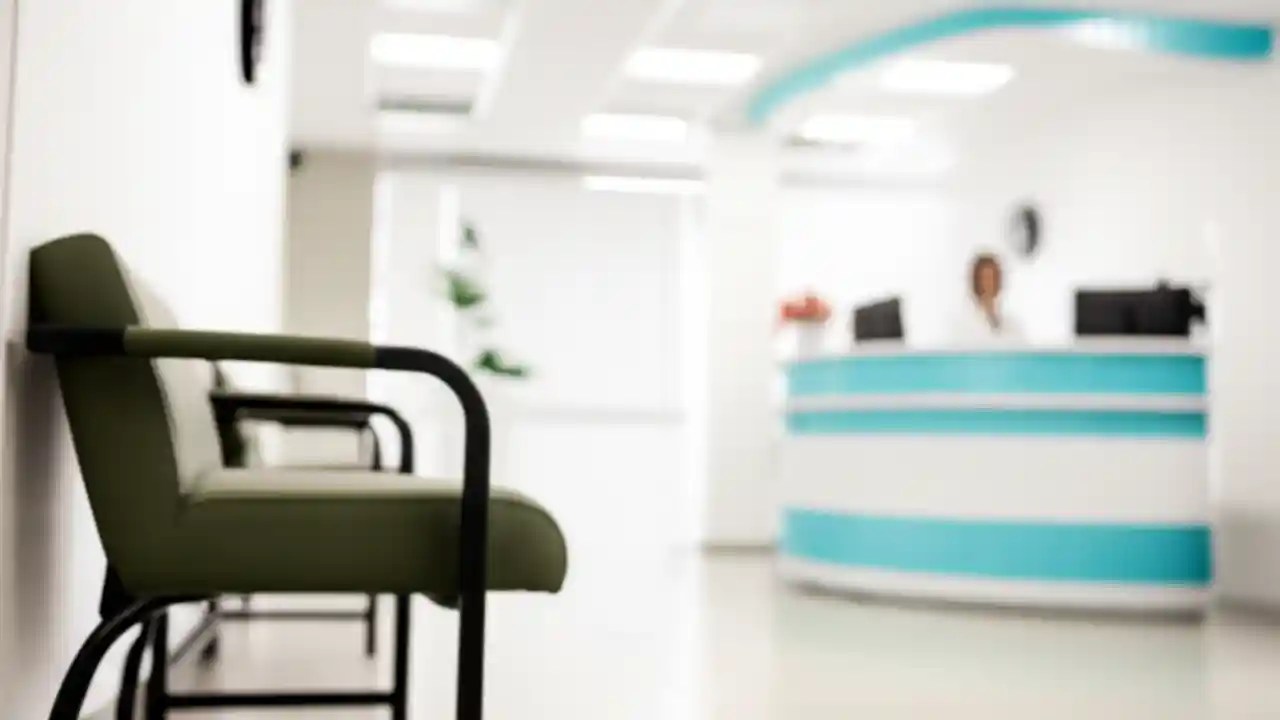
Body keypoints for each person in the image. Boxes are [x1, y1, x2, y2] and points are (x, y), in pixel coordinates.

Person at [952, 252, 1023, 343]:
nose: (989, 284)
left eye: (993, 278)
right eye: (985, 278)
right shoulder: (964, 325)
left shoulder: (1012, 326)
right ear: (976, 282)